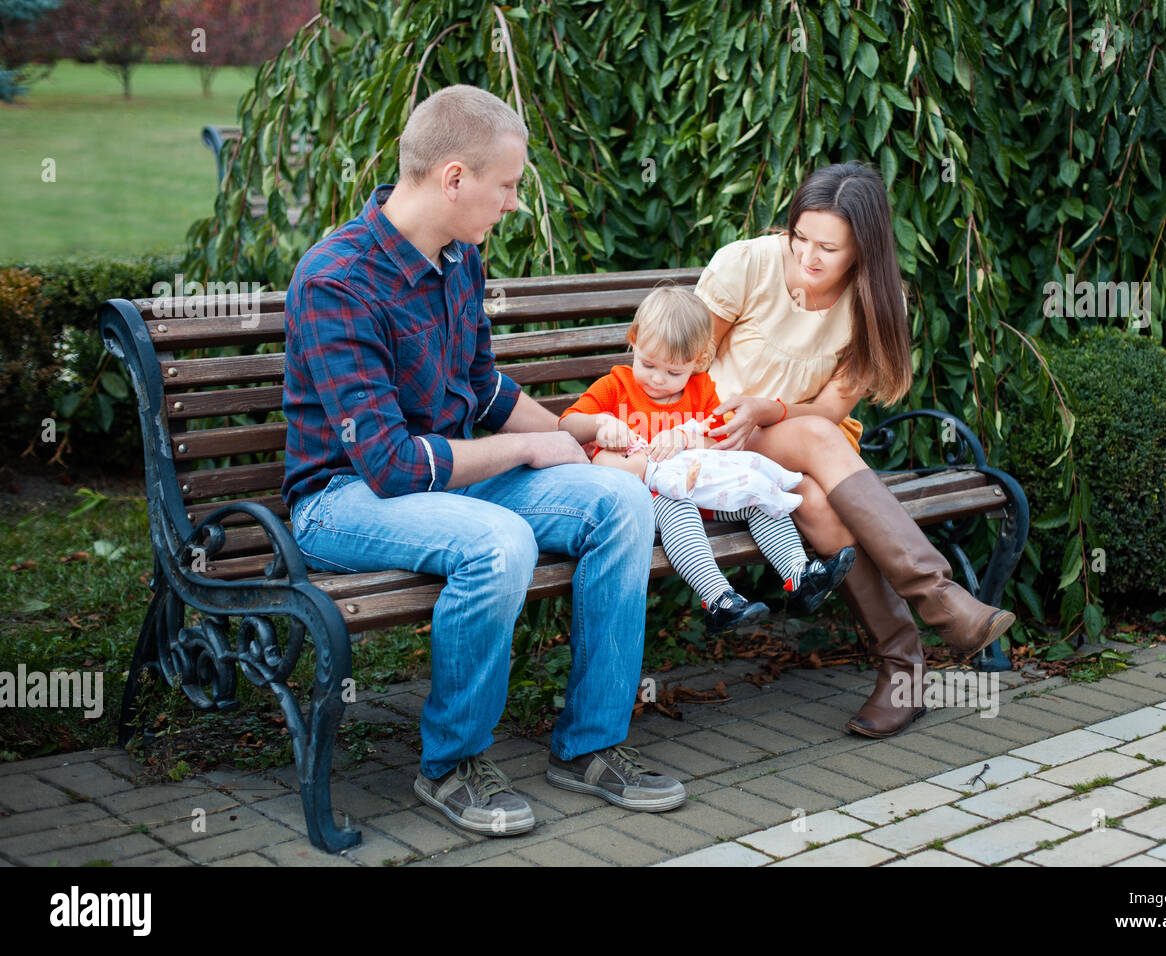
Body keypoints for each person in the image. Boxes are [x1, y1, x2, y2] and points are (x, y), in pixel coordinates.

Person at [281, 85, 685, 838]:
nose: (511, 204)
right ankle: (451, 765)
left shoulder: (456, 258)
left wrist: (580, 439)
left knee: (619, 502)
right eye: (506, 186)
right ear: (455, 178)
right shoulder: (336, 279)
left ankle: (591, 743)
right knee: (499, 543)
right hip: (343, 499)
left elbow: (481, 387)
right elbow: (391, 465)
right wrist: (532, 448)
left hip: (452, 479)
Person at [693, 161, 1016, 739]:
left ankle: (906, 663)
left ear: (863, 250)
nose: (808, 258)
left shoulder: (874, 299)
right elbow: (684, 371)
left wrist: (773, 409)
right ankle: (939, 609)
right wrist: (740, 415)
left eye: (829, 248)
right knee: (813, 496)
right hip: (717, 437)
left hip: (803, 433)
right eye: (800, 238)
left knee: (817, 485)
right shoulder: (745, 265)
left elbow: (830, 411)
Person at [559, 287, 856, 634]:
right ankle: (718, 600)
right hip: (648, 499)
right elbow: (567, 424)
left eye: (673, 373)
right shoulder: (617, 386)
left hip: (706, 492)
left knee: (758, 497)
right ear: (634, 341)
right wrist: (601, 423)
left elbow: (721, 439)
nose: (657, 379)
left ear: (697, 361)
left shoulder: (701, 390)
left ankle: (799, 575)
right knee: (676, 505)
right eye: (648, 364)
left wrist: (684, 436)